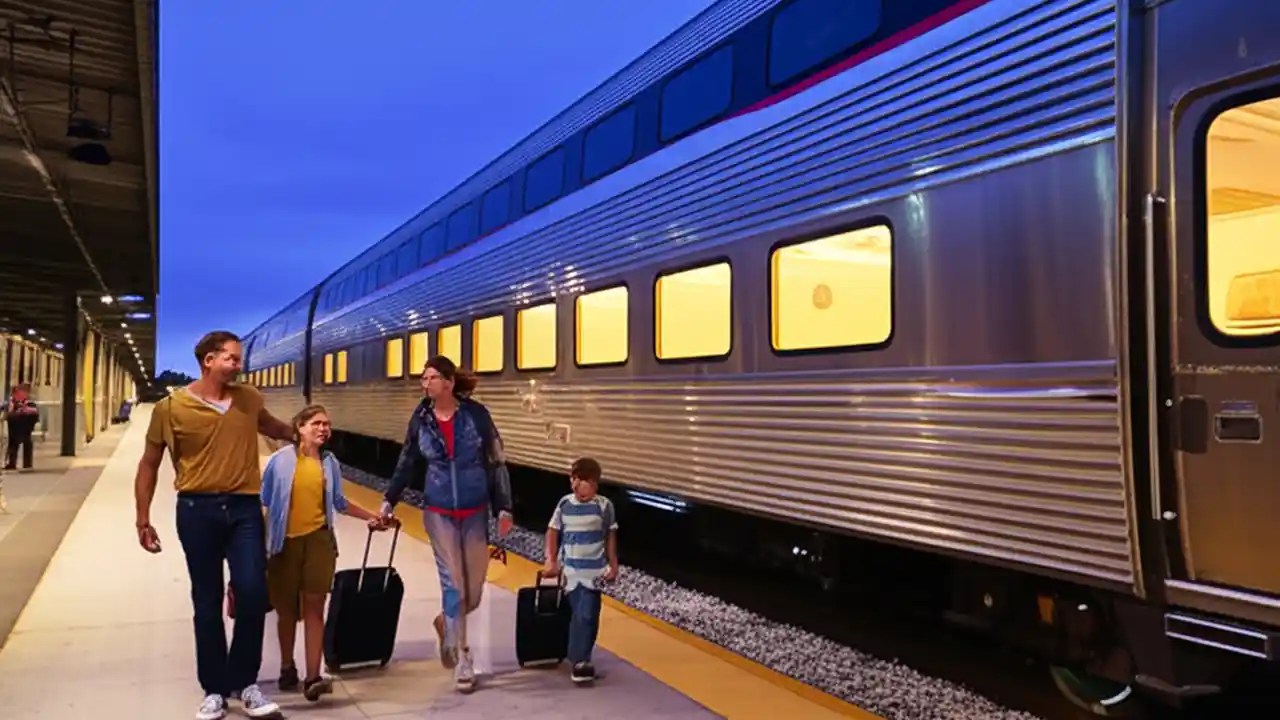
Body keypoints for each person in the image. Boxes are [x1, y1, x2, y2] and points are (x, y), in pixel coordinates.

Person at [133, 330, 294, 720]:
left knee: (254, 593)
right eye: (232, 358)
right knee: (206, 601)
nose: (239, 365)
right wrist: (143, 518)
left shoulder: (249, 399)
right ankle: (215, 689)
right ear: (208, 360)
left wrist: (299, 435)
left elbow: (270, 425)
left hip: (243, 509)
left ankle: (246, 682)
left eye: (238, 359)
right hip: (196, 510)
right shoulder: (170, 409)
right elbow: (149, 464)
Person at [379, 355, 513, 693]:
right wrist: (389, 499)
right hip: (438, 512)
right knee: (453, 586)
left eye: (431, 378)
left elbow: (496, 461)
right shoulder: (421, 419)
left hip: (475, 512)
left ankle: (445, 624)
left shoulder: (476, 416)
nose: (425, 384)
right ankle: (461, 656)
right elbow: (407, 460)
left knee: (474, 591)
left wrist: (504, 507)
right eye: (423, 379)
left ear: (449, 382)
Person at [261, 404, 394, 702]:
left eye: (327, 425)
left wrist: (372, 517)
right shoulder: (280, 461)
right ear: (300, 428)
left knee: (314, 608)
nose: (323, 429)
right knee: (286, 611)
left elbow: (339, 502)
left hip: (320, 542)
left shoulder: (329, 462)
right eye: (317, 424)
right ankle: (286, 665)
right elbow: (265, 501)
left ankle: (312, 676)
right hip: (284, 544)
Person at [542, 457, 619, 684]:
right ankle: (580, 661)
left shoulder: (604, 506)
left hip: (595, 572)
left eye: (583, 481)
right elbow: (552, 531)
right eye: (573, 480)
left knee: (589, 616)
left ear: (595, 483)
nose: (576, 486)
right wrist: (551, 560)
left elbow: (610, 536)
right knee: (582, 613)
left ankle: (579, 655)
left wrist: (613, 564)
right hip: (572, 572)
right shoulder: (564, 504)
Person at [4, 384, 39, 471]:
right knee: (14, 443)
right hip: (15, 423)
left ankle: (25, 463)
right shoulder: (12, 401)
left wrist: (21, 408)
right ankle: (13, 463)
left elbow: (33, 412)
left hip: (23, 423)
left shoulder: (29, 402)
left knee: (24, 442)